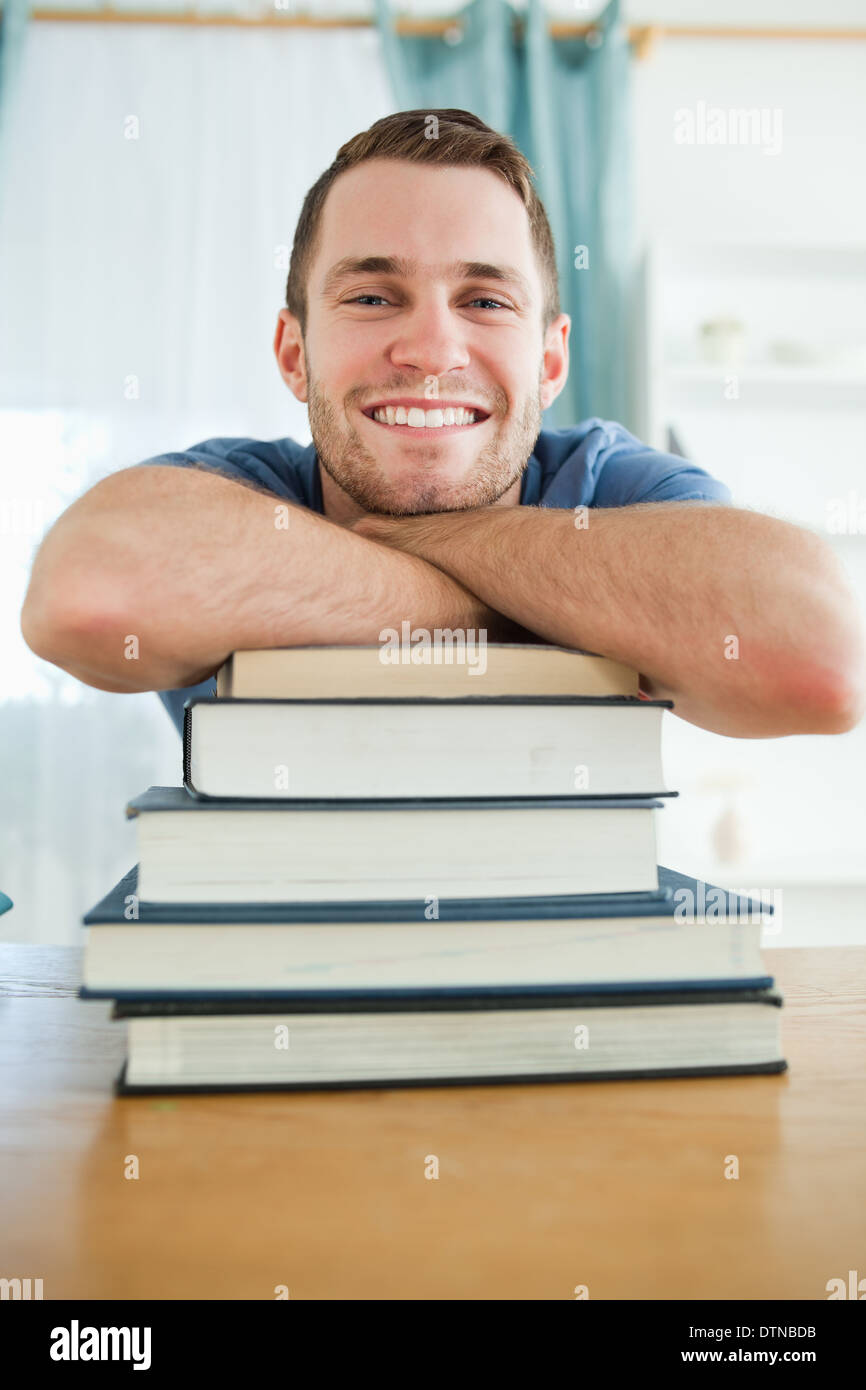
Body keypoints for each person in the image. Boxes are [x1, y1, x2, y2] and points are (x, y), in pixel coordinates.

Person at [20, 108, 865, 740]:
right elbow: (86, 595)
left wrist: (407, 545)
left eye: (486, 300)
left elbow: (820, 656)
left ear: (551, 360)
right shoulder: (242, 489)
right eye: (373, 297)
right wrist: (546, 607)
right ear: (293, 353)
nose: (430, 348)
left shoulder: (608, 484)